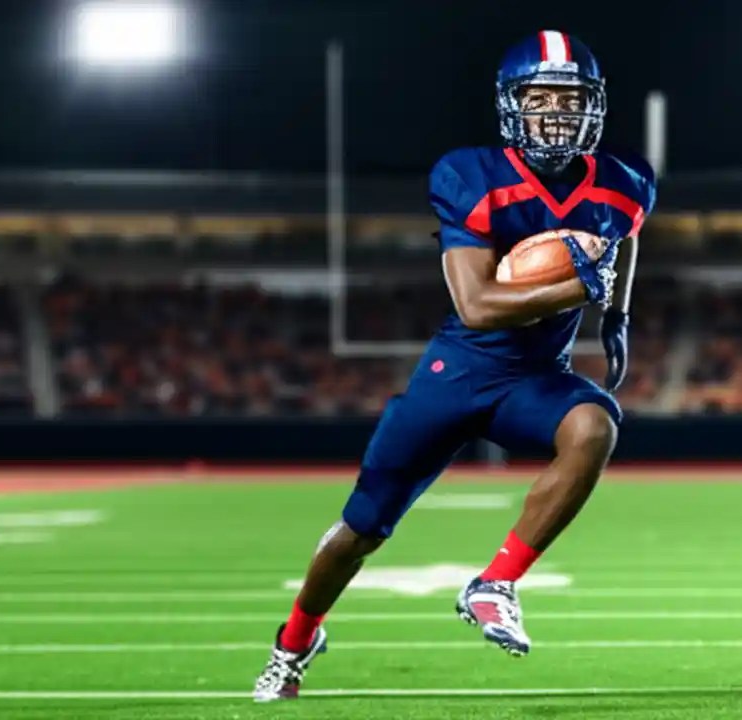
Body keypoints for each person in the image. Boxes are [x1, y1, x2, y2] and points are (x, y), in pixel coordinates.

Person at [253, 29, 656, 701]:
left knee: (594, 426)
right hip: (461, 371)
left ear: (596, 105)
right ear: (511, 106)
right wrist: (579, 289)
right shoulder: (471, 174)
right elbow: (477, 305)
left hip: (533, 378)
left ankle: (495, 582)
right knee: (361, 529)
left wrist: (617, 315)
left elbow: (626, 242)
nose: (555, 111)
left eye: (569, 97)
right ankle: (295, 641)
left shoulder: (626, 182)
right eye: (539, 97)